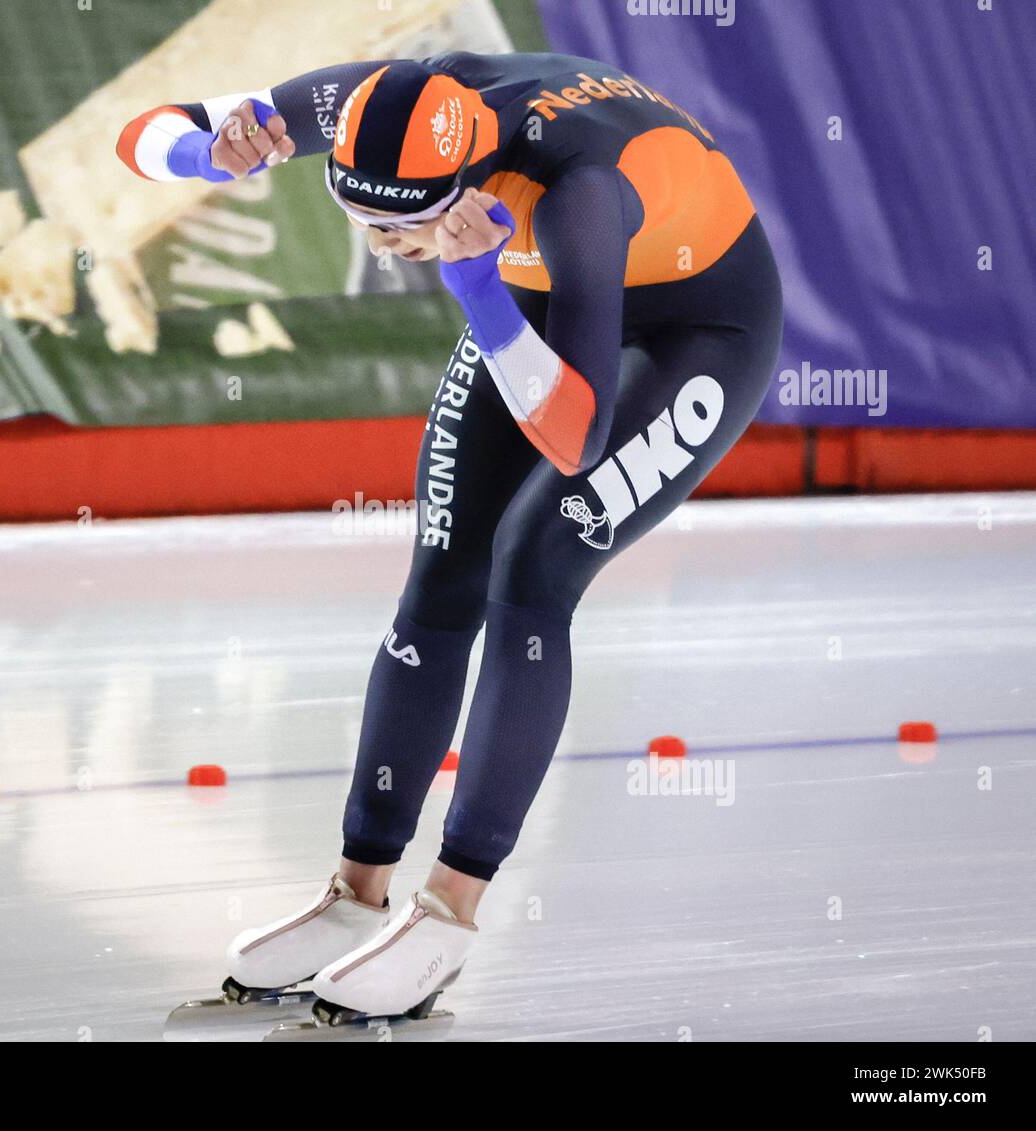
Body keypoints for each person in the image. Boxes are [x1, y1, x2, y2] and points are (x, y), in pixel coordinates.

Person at [119, 51, 782, 1024]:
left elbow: (573, 439)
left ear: (466, 183)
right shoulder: (372, 105)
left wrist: (475, 285)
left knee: (533, 566)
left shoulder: (576, 194)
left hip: (696, 326)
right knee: (438, 581)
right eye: (368, 225)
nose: (387, 248)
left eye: (404, 227)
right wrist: (206, 150)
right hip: (529, 286)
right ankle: (356, 895)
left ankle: (450, 912)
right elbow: (138, 135)